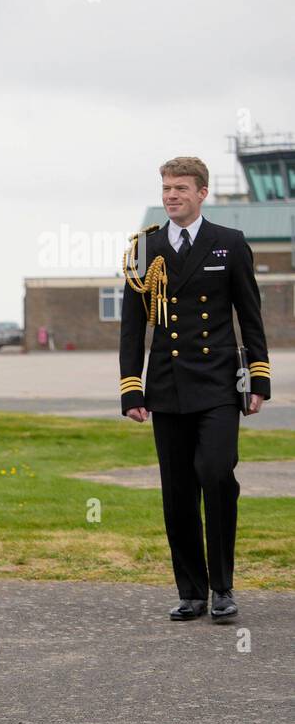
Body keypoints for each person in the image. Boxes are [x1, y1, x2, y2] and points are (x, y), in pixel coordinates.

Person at [119, 156, 271, 623]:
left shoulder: (229, 243)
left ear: (202, 192)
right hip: (167, 386)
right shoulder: (144, 248)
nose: (171, 196)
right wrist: (132, 388)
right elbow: (132, 325)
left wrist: (259, 379)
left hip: (219, 386)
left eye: (180, 188)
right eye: (166, 188)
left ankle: (223, 588)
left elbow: (249, 315)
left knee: (216, 473)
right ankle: (192, 592)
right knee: (178, 491)